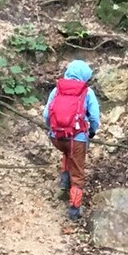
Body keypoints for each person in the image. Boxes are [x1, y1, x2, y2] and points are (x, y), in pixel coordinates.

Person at [43, 60, 100, 221]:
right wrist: (92, 131)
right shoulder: (87, 92)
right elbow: (95, 117)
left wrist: (53, 129)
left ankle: (63, 182)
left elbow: (47, 115)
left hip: (57, 138)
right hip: (77, 139)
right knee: (78, 174)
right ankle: (74, 210)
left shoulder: (57, 89)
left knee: (67, 152)